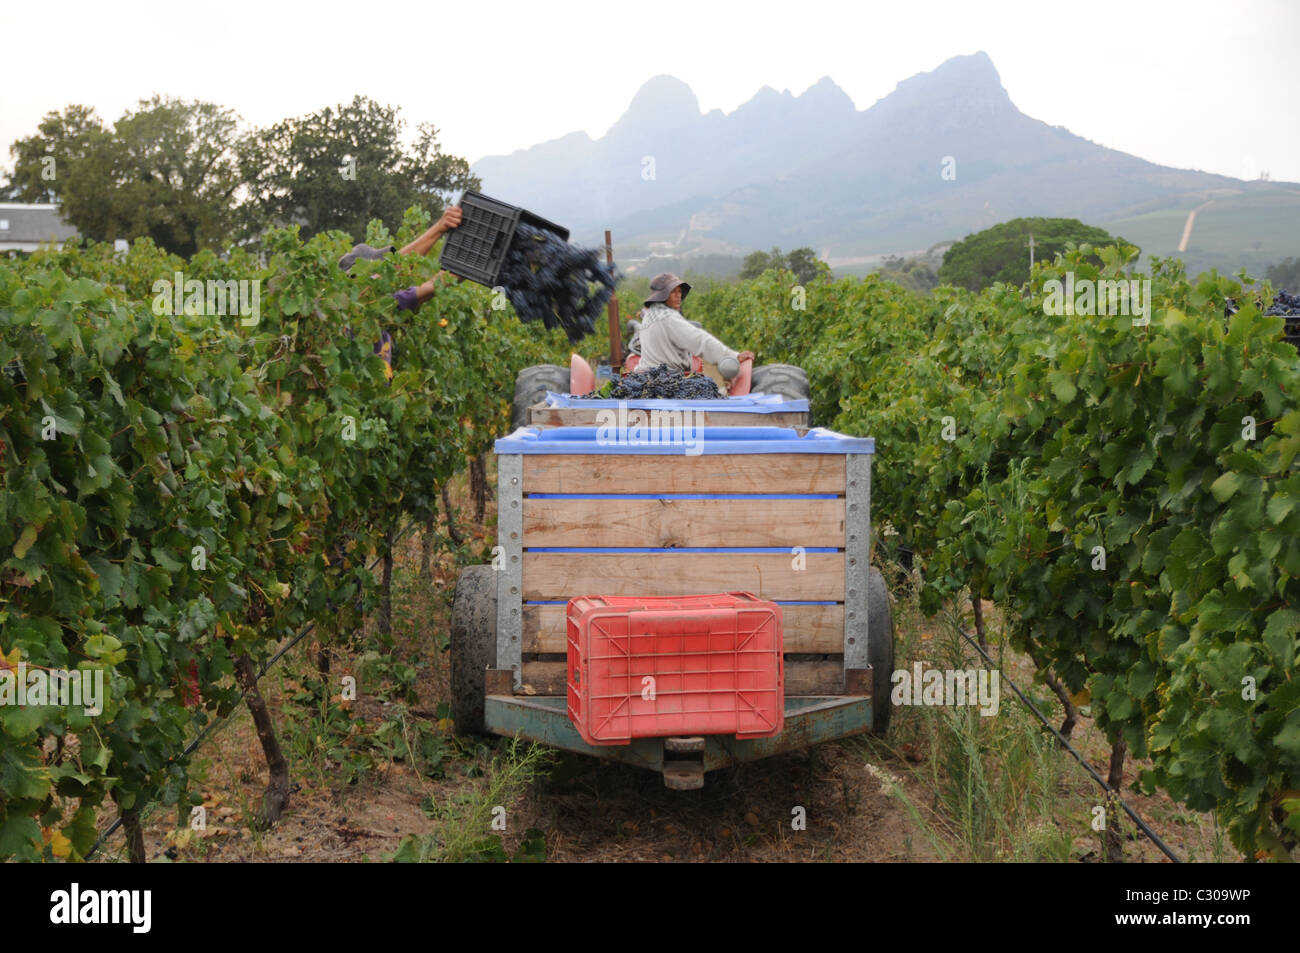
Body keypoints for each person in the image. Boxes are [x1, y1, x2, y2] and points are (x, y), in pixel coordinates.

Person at [337, 205, 463, 379]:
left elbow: (432, 286)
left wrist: (467, 267)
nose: (385, 278)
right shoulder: (341, 315)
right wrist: (440, 227)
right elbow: (394, 269)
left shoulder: (383, 307)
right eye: (376, 271)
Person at [633, 272, 753, 374]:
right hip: (666, 378)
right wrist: (732, 356)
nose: (678, 296)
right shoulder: (668, 317)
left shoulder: (649, 315)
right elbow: (700, 340)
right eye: (673, 292)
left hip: (645, 375)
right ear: (662, 296)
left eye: (679, 291)